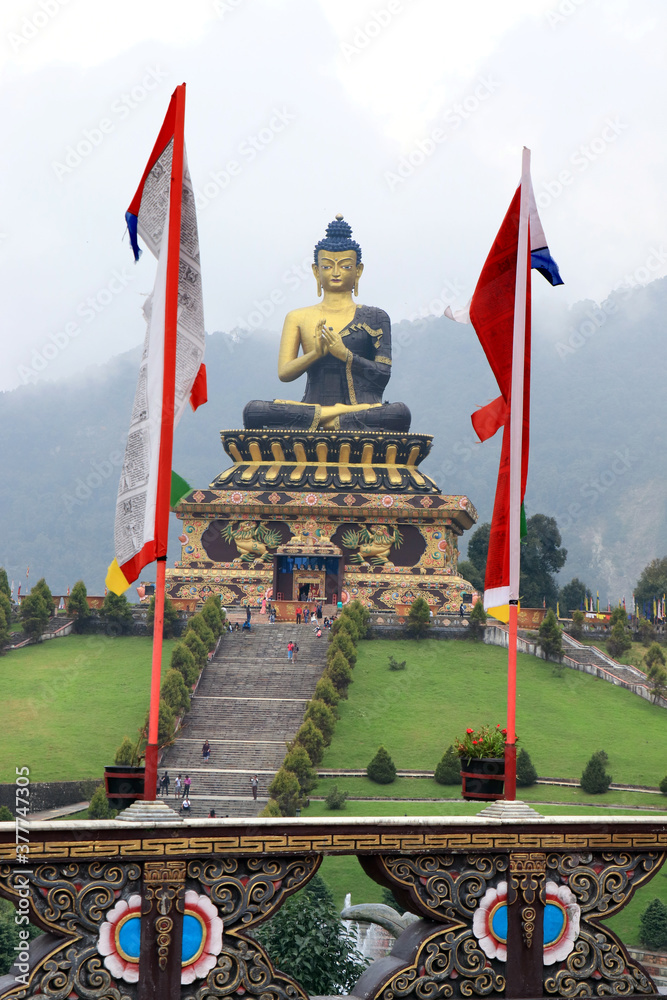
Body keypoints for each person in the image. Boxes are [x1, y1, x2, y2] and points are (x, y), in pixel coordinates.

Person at [243, 216, 411, 432]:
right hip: (315, 406)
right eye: (328, 266)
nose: (336, 273)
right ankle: (337, 416)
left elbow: (382, 374)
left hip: (363, 409)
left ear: (358, 271)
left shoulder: (376, 317)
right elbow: (284, 373)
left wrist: (345, 355)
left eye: (345, 266)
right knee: (254, 411)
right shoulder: (298, 317)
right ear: (316, 271)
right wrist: (316, 354)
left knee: (399, 413)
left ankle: (323, 420)